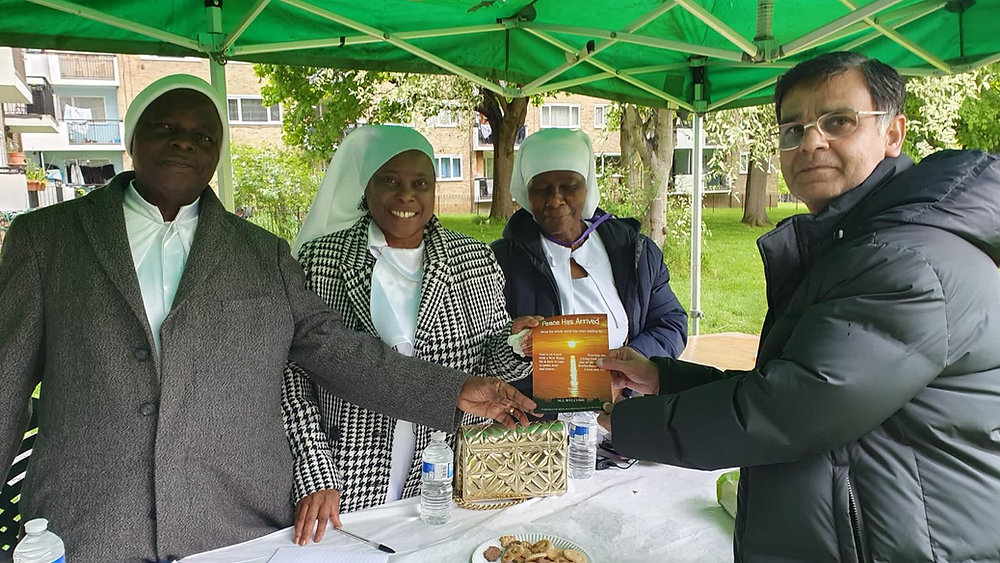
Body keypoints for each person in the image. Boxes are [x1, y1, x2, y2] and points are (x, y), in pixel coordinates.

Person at [0, 75, 534, 562]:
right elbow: (6, 383)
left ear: (216, 154)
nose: (184, 143)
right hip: (90, 520)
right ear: (132, 139)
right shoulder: (45, 239)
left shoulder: (262, 253)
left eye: (203, 136)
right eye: (166, 128)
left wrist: (452, 390)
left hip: (230, 518)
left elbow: (334, 348)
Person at [599, 52, 1000, 561]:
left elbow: (788, 412)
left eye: (839, 121)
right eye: (793, 129)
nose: (811, 142)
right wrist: (663, 379)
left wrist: (628, 424)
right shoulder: (855, 245)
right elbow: (797, 381)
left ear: (893, 133)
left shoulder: (906, 262)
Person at [283, 125, 534, 544]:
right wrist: (315, 471)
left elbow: (488, 361)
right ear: (366, 187)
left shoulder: (473, 258)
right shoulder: (321, 259)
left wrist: (517, 345)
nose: (406, 195)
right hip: (345, 472)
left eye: (420, 183)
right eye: (390, 181)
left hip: (447, 467)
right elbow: (294, 375)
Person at [490, 128, 688, 401]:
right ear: (526, 192)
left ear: (587, 186)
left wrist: (626, 375)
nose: (555, 200)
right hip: (540, 421)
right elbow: (485, 347)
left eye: (569, 186)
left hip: (624, 411)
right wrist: (515, 345)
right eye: (541, 189)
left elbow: (670, 322)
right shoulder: (499, 262)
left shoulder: (635, 253)